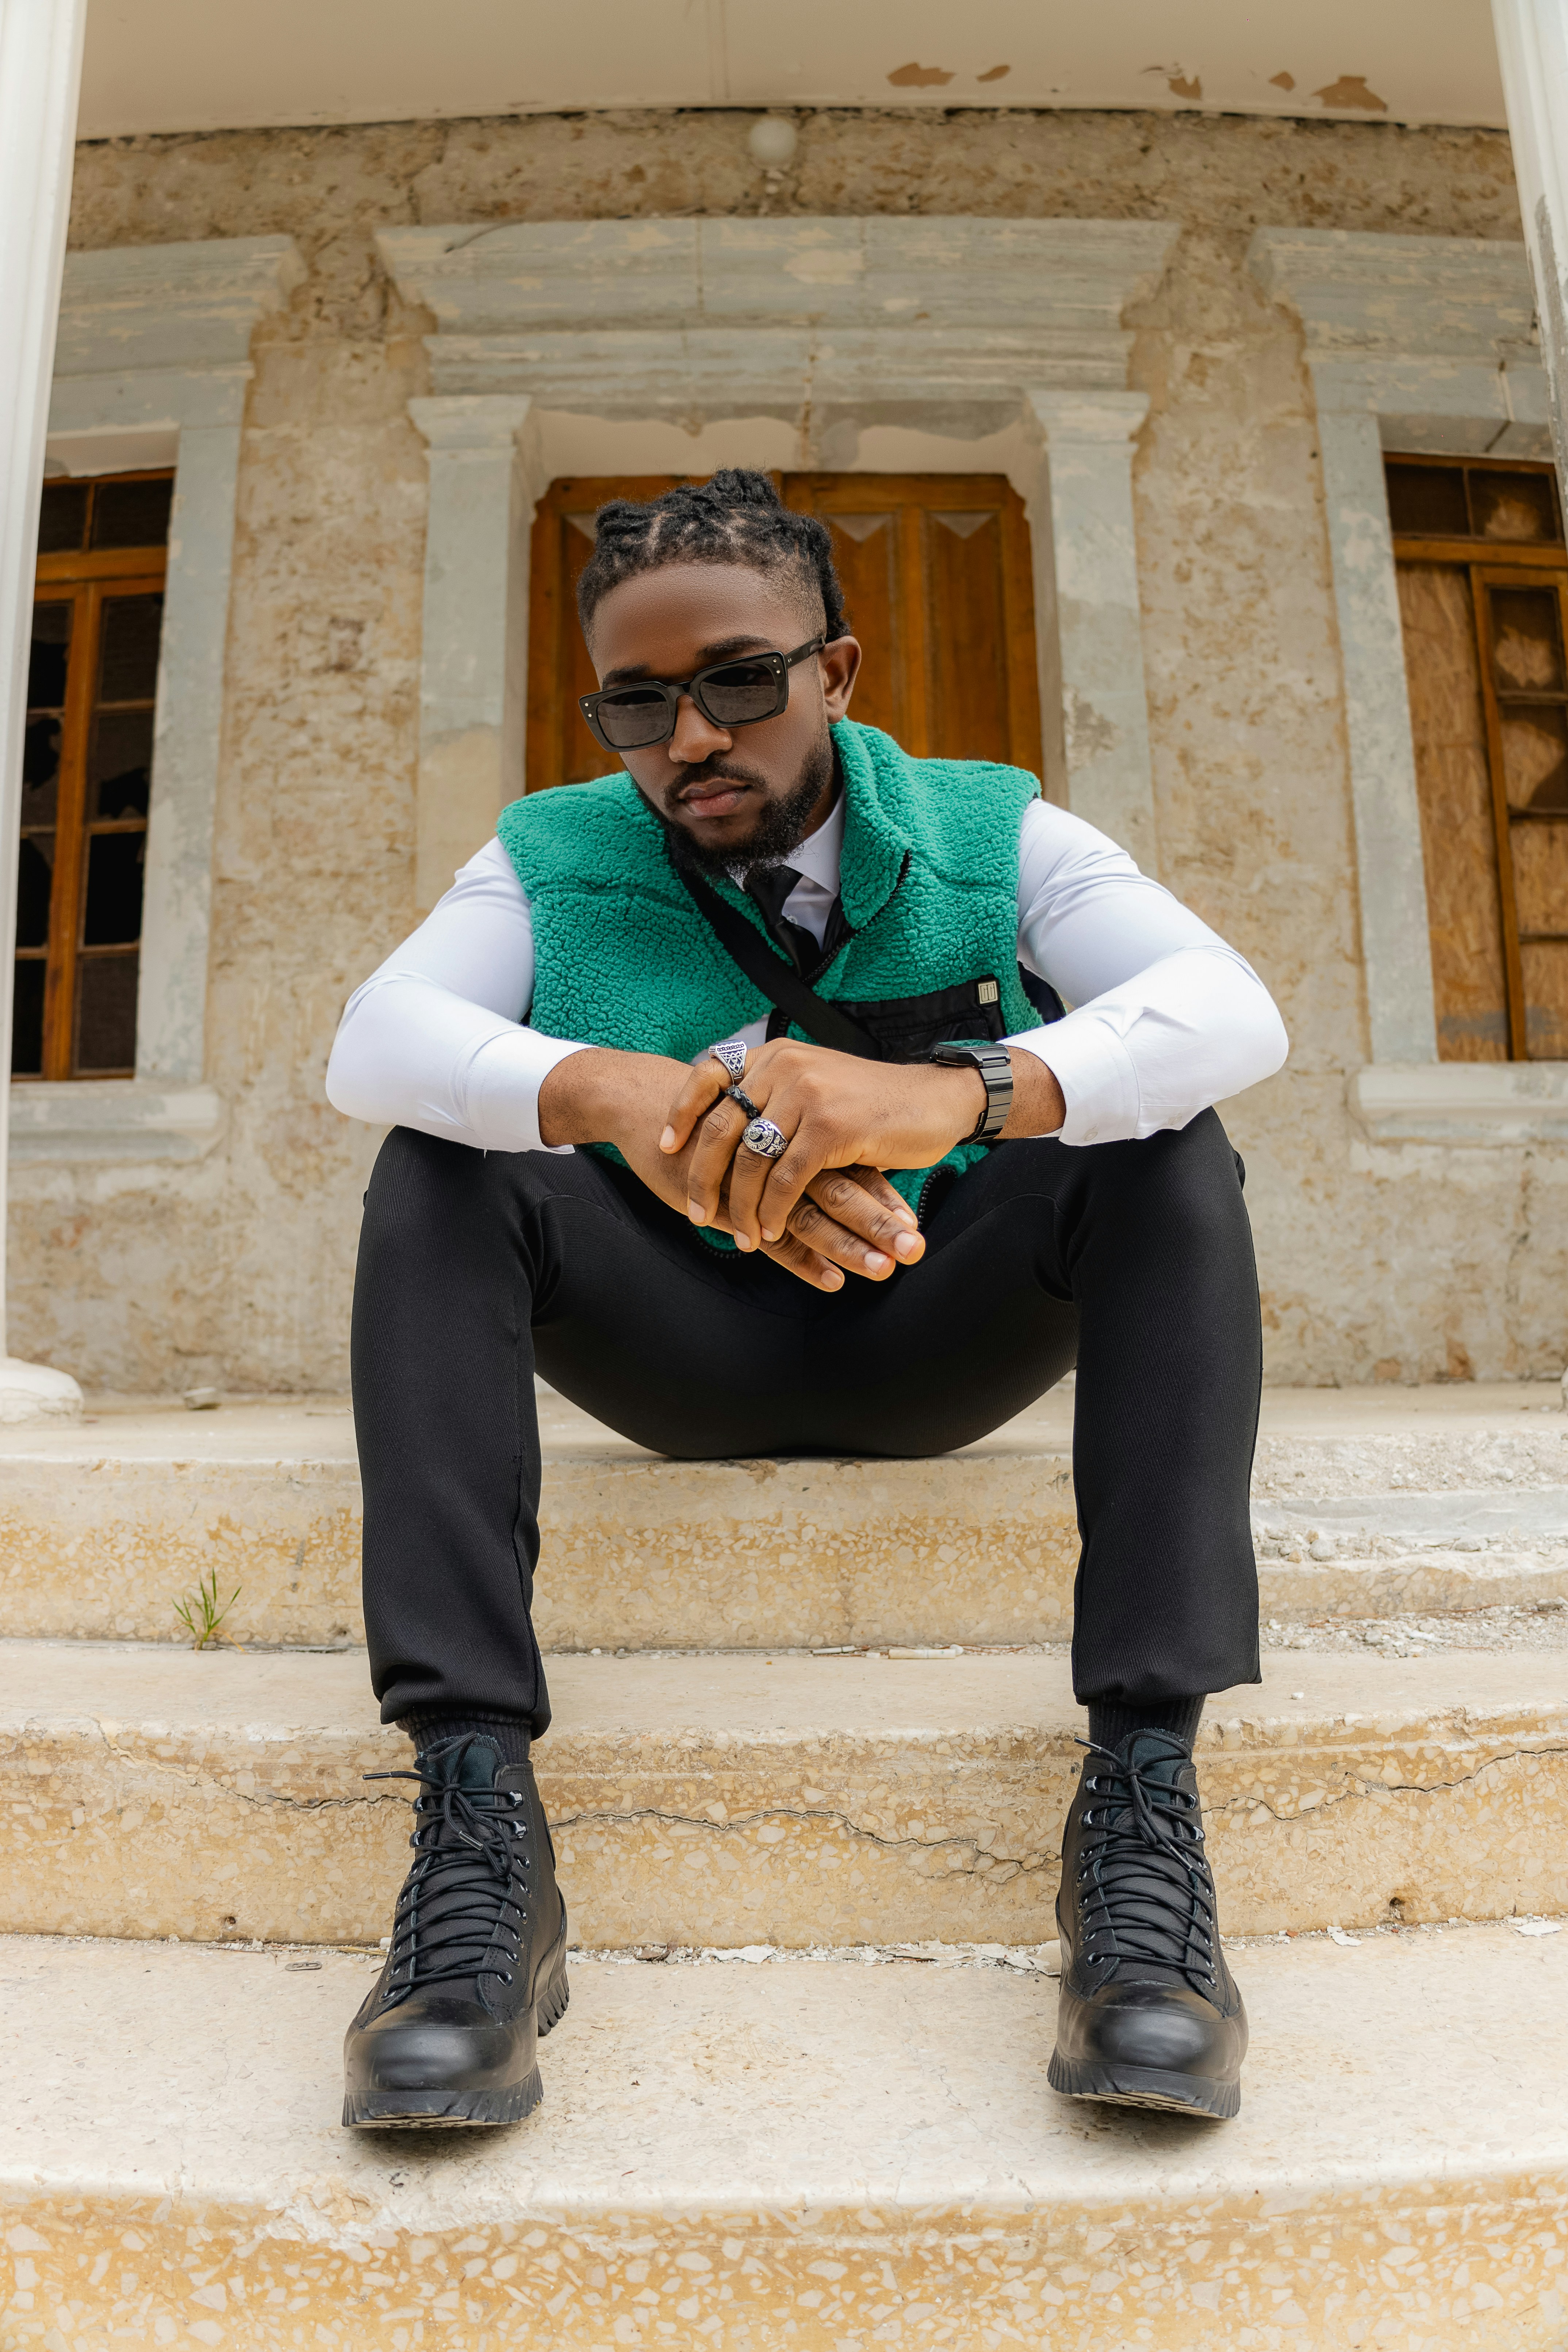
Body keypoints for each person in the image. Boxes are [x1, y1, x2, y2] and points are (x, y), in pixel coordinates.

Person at [326, 468, 1287, 2130]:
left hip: (936, 1332)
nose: (691, 736)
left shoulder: (995, 830)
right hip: (677, 1347)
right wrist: (619, 1092)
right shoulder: (552, 852)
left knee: (1167, 1141)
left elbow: (1230, 1004)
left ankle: (1142, 1812)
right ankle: (477, 1836)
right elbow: (374, 1040)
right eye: (639, 701)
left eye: (740, 681)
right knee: (438, 1160)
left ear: (835, 672)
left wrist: (958, 1091)